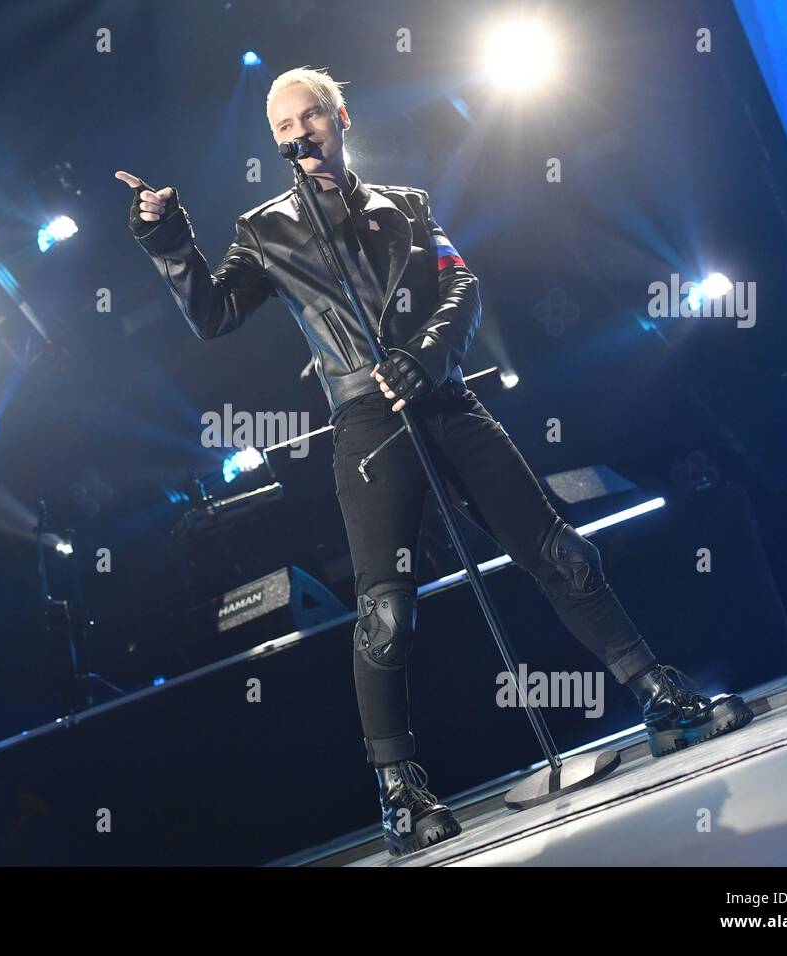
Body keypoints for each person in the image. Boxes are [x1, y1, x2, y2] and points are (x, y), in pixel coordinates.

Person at [117, 65, 754, 857]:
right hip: (365, 423)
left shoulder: (408, 207)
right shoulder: (265, 230)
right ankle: (400, 790)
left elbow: (463, 288)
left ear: (339, 116)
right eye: (282, 128)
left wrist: (426, 355)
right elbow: (212, 314)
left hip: (446, 399)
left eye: (308, 117)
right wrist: (167, 237)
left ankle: (658, 697)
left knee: (562, 552)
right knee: (386, 612)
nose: (296, 135)